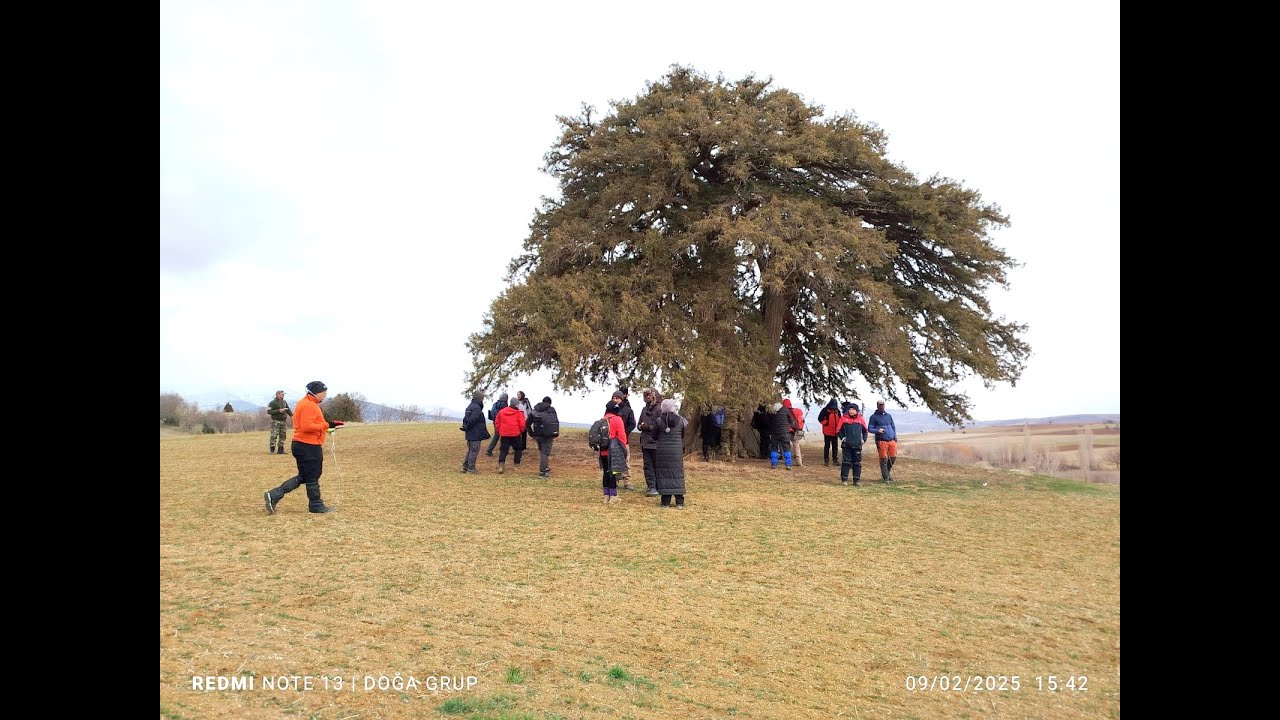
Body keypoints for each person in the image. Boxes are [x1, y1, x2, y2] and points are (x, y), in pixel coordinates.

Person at [263, 381, 342, 514]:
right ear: (317, 393)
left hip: (302, 444)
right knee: (312, 476)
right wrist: (327, 425)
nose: (325, 395)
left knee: (305, 476)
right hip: (308, 446)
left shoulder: (305, 403)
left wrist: (329, 426)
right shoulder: (309, 405)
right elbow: (307, 427)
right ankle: (316, 505)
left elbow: (308, 424)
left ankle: (274, 495)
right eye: (324, 392)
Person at [654, 398, 687, 508]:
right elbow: (682, 435)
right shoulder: (681, 420)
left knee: (664, 475)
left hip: (662, 452)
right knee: (677, 474)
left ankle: (665, 502)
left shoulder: (658, 421)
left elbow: (654, 436)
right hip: (676, 451)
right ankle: (679, 502)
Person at [600, 400, 629, 504]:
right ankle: (613, 497)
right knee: (613, 473)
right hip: (613, 452)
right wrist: (624, 449)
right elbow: (622, 436)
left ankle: (606, 496)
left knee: (606, 473)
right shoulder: (617, 419)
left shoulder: (603, 420)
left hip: (603, 451)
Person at [636, 388, 663, 496]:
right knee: (647, 466)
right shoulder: (644, 409)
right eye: (646, 395)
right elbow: (638, 424)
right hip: (645, 443)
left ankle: (659, 486)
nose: (647, 397)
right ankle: (651, 487)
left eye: (649, 395)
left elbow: (661, 426)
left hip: (656, 443)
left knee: (658, 466)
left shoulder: (660, 410)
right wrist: (640, 426)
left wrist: (648, 427)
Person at [529, 396, 560, 478]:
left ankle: (545, 467)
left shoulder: (535, 410)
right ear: (550, 403)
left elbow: (527, 423)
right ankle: (542, 472)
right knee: (545, 453)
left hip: (538, 435)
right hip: (549, 434)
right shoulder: (552, 410)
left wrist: (531, 433)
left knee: (542, 452)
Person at [837, 403, 869, 485]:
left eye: (853, 409)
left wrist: (863, 440)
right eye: (850, 409)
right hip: (846, 445)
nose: (851, 411)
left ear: (856, 411)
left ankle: (856, 480)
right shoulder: (843, 419)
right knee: (846, 462)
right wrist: (843, 438)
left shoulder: (860, 419)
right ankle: (844, 480)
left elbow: (865, 431)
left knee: (857, 463)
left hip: (857, 445)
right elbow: (838, 430)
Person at [868, 400, 898, 483]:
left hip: (891, 440)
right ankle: (886, 478)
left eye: (882, 405)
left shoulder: (888, 416)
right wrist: (878, 430)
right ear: (877, 406)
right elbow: (870, 428)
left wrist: (895, 437)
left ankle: (887, 473)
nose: (881, 406)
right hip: (881, 440)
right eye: (880, 405)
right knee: (883, 459)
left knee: (893, 458)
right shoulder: (873, 417)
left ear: (884, 405)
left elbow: (893, 427)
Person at [460, 391, 489, 474]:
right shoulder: (476, 408)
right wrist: (468, 426)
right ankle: (471, 469)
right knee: (474, 450)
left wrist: (466, 427)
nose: (483, 399)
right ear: (479, 398)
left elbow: (466, 419)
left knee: (470, 450)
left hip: (470, 432)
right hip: (475, 433)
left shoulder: (470, 406)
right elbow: (472, 419)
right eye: (482, 398)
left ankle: (465, 467)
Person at [494, 398, 527, 473]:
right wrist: (521, 431)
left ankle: (501, 465)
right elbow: (522, 424)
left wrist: (499, 430)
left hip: (504, 434)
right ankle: (516, 464)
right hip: (515, 434)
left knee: (503, 450)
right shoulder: (519, 413)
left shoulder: (501, 412)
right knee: (518, 449)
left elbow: (497, 422)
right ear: (516, 404)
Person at [768, 401, 798, 470]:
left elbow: (769, 421)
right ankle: (788, 464)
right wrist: (793, 428)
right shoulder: (785, 409)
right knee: (786, 449)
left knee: (774, 448)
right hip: (785, 432)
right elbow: (792, 420)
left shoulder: (771, 411)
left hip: (774, 433)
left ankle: (774, 464)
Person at [266, 390, 293, 454]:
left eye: (283, 394)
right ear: (278, 395)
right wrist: (278, 411)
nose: (283, 395)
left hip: (283, 421)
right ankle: (272, 450)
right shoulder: (272, 403)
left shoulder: (284, 402)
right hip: (275, 421)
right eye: (282, 394)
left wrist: (292, 416)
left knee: (283, 435)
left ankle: (280, 450)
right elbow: (269, 412)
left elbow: (288, 409)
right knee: (274, 435)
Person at [817, 397, 841, 467]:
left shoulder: (837, 411)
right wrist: (826, 423)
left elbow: (840, 419)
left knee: (835, 447)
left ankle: (835, 460)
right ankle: (826, 460)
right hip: (827, 432)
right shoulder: (825, 410)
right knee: (827, 446)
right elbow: (820, 418)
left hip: (835, 432)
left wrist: (839, 428)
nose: (833, 408)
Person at [485, 392, 508, 457]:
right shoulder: (504, 404)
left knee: (497, 435)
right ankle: (490, 450)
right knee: (500, 436)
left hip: (495, 421)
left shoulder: (495, 403)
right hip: (501, 422)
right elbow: (504, 414)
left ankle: (491, 450)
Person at [783, 399, 805, 466]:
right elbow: (801, 420)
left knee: (786, 446)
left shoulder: (783, 412)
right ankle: (799, 462)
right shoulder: (796, 411)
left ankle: (788, 461)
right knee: (796, 445)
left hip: (787, 431)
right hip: (795, 431)